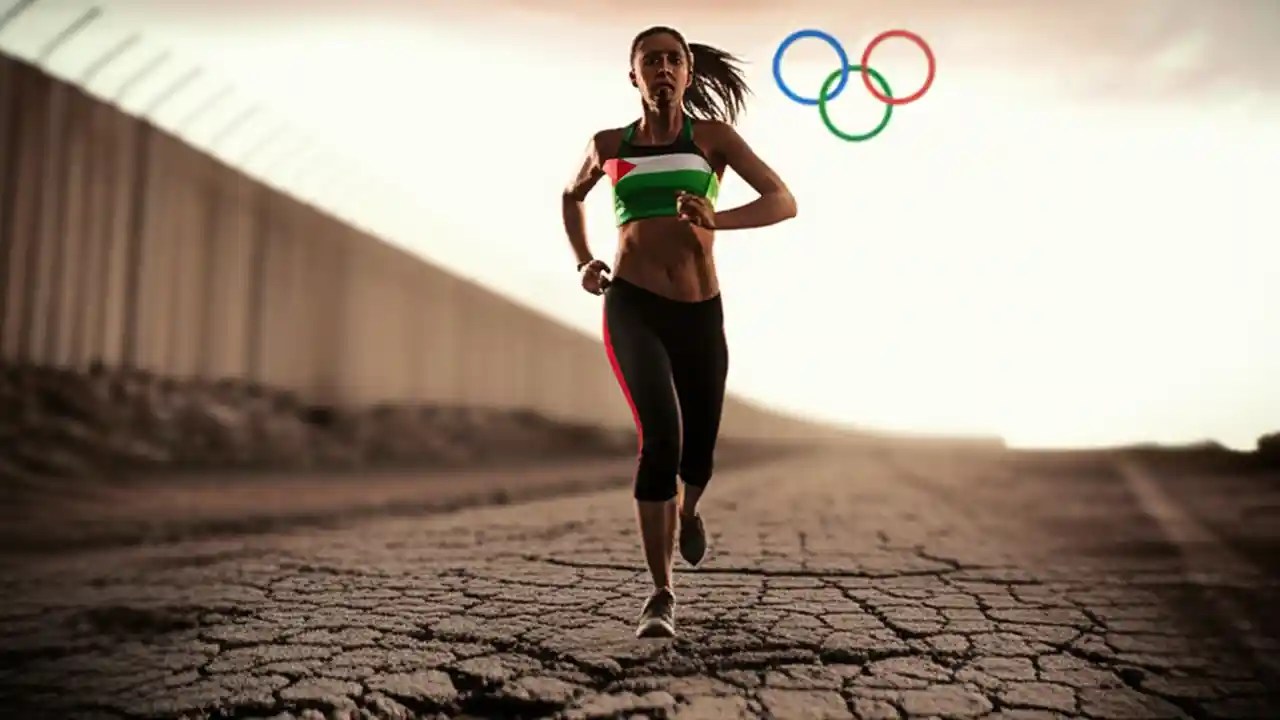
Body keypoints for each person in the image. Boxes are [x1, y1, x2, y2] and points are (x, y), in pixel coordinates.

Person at [561, 25, 797, 638]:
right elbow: (570, 195)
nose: (663, 69)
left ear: (688, 74)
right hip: (632, 305)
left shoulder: (712, 139)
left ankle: (689, 511)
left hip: (699, 310)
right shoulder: (608, 144)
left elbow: (782, 200)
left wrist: (719, 217)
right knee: (660, 438)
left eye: (673, 60)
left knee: (699, 451)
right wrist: (583, 260)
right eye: (651, 61)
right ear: (633, 75)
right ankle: (661, 593)